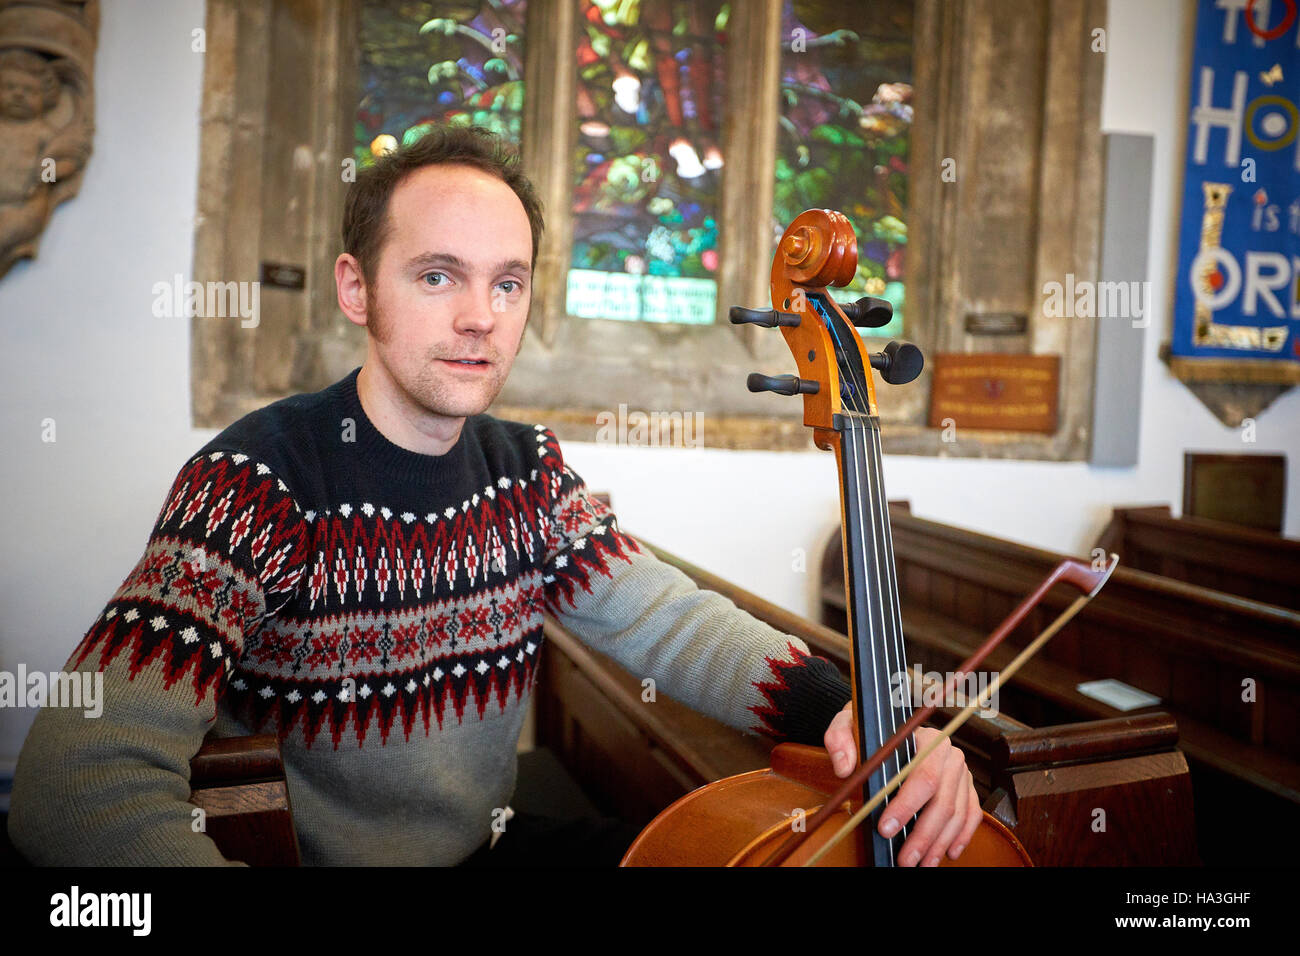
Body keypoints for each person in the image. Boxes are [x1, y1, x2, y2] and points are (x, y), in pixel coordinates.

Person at [8, 125, 981, 867]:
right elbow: (70, 783)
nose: (481, 317)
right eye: (438, 276)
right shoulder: (255, 481)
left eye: (508, 283)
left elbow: (670, 624)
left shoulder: (526, 472)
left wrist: (858, 712)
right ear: (357, 289)